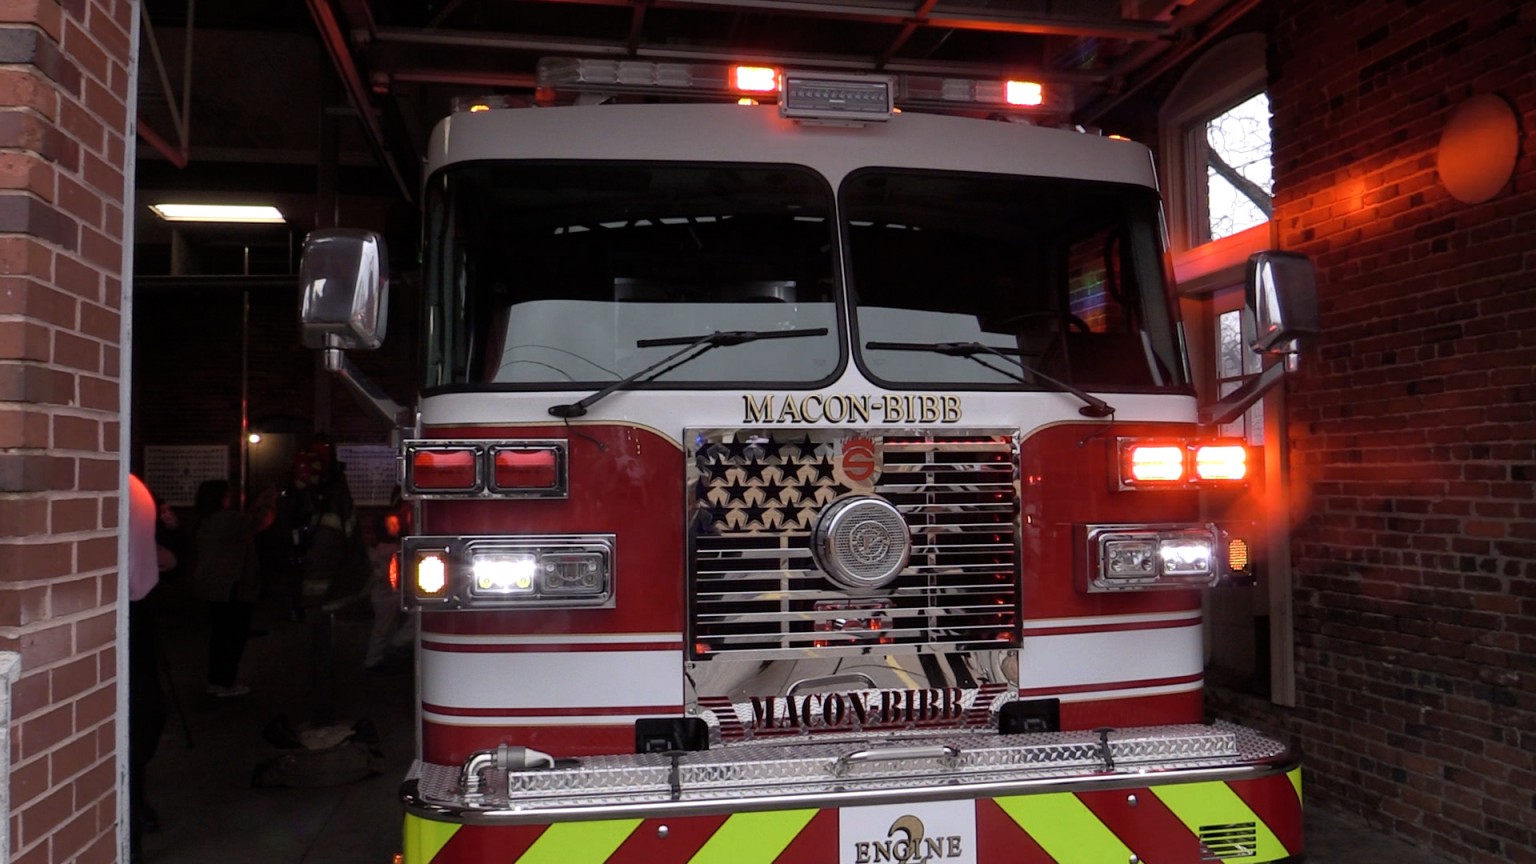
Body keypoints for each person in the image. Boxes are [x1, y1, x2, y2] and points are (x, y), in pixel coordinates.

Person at [191, 479, 275, 697]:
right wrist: (268, 504)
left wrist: (256, 505)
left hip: (212, 587)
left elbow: (243, 524)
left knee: (220, 636)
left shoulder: (207, 519)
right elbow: (260, 522)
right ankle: (225, 683)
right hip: (231, 587)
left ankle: (216, 681)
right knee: (233, 637)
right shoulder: (227, 519)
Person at [127, 474, 169, 864]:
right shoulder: (134, 489)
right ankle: (132, 814)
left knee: (139, 716)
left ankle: (132, 811)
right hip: (131, 610)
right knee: (141, 716)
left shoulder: (127, 488)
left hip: (127, 612)